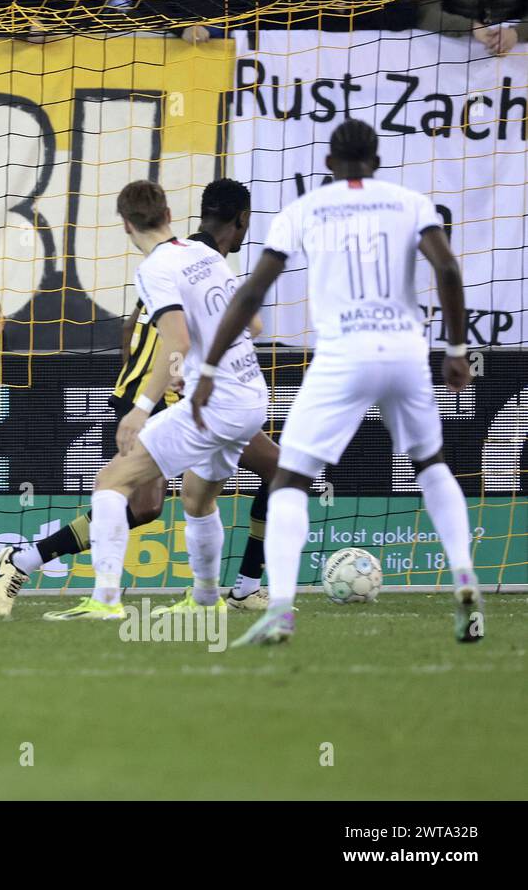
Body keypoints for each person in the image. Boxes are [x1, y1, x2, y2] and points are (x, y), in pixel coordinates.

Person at [196, 119, 483, 646]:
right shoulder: (408, 202)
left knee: (290, 481)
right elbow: (447, 270)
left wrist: (210, 367)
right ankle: (464, 579)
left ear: (329, 164)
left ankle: (279, 608)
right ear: (376, 161)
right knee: (432, 465)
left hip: (343, 354)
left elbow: (252, 293)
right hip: (404, 350)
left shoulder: (302, 211)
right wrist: (458, 349)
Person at [0, 179, 278, 617]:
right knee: (178, 501)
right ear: (168, 214)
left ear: (125, 225)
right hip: (218, 390)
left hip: (203, 398)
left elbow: (173, 337)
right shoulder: (199, 256)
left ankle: (104, 598)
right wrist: (172, 380)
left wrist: (155, 396)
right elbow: (244, 327)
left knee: (118, 485)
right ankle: (208, 599)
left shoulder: (160, 266)